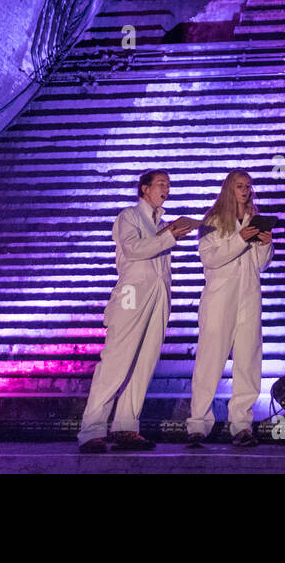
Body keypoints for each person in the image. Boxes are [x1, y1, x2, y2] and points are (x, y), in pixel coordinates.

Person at [78, 171, 199, 453]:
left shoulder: (162, 222)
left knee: (143, 363)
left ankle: (126, 426)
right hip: (132, 294)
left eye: (169, 184)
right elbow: (132, 250)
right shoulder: (129, 216)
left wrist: (169, 233)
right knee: (118, 360)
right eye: (161, 184)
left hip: (158, 296)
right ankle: (92, 430)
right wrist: (169, 235)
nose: (166, 188)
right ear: (145, 189)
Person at [185, 170, 274, 447]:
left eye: (248, 185)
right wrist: (240, 239)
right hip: (220, 299)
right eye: (239, 185)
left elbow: (259, 264)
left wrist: (265, 246)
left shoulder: (252, 218)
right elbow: (209, 258)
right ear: (229, 188)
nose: (245, 190)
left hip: (248, 297)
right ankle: (198, 424)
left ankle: (242, 425)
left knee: (248, 362)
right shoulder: (212, 220)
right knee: (210, 361)